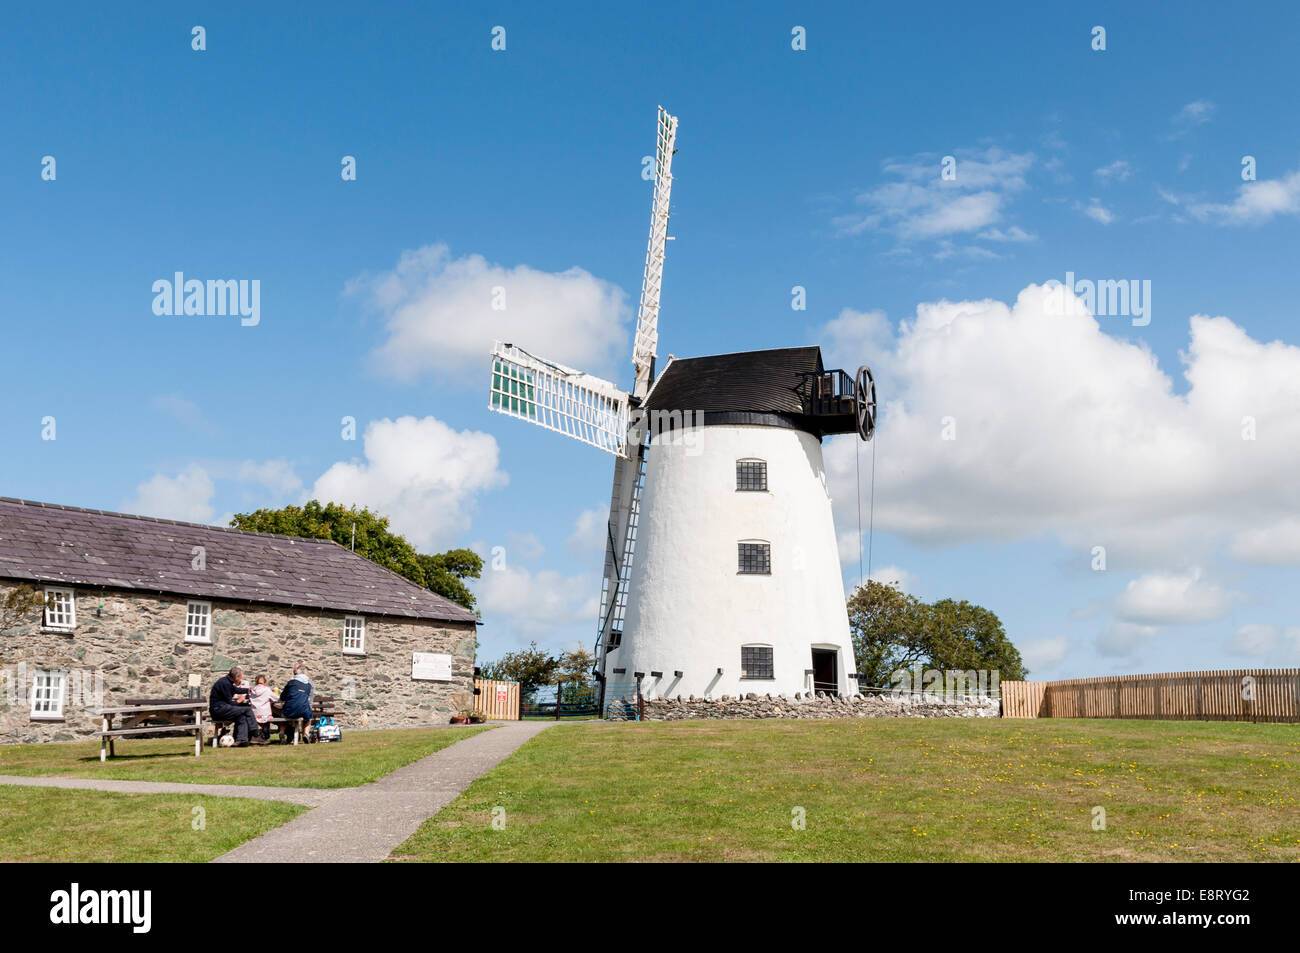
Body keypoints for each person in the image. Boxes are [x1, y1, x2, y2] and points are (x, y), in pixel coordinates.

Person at [210, 666, 266, 746]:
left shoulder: (227, 681)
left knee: (241, 716)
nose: (241, 679)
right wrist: (239, 701)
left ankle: (241, 740)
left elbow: (236, 690)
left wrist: (248, 691)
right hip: (218, 710)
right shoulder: (225, 683)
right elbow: (229, 703)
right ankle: (255, 734)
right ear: (236, 677)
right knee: (247, 709)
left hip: (222, 708)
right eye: (241, 677)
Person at [278, 664, 314, 742]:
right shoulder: (308, 685)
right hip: (304, 709)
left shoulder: (291, 683)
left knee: (282, 715)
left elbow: (283, 697)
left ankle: (282, 732)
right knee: (308, 718)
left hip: (290, 708)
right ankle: (306, 734)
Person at [248, 675, 275, 741]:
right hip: (265, 716)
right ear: (265, 683)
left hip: (254, 716)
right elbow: (276, 698)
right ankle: (266, 735)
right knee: (268, 715)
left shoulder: (252, 691)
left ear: (256, 683)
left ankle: (258, 735)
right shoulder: (267, 690)